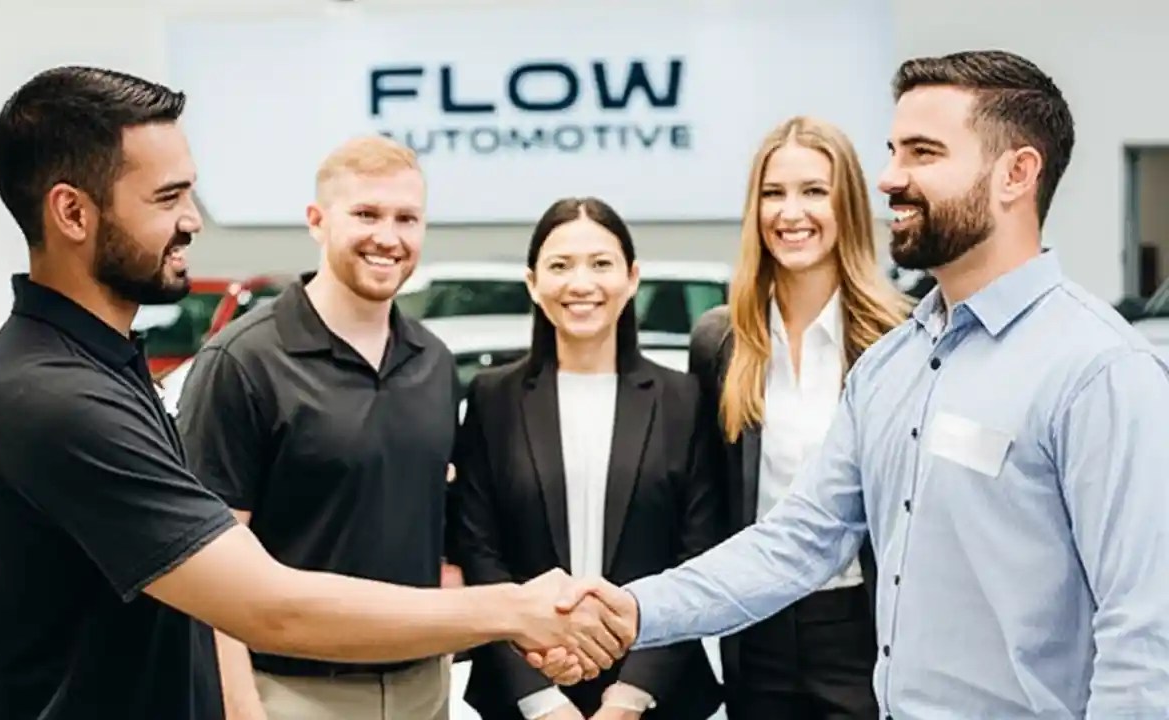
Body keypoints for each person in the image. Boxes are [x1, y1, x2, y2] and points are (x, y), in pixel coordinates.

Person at [0, 65, 632, 720]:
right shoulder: (56, 399)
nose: (193, 221)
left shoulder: (102, 368)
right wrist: (513, 609)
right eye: (167, 197)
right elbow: (268, 606)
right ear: (72, 212)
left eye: (190, 194)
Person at [539, 49, 1169, 718]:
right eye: (893, 151)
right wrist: (634, 609)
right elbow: (799, 540)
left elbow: (1145, 636)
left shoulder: (1101, 373)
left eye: (924, 153)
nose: (890, 178)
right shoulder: (890, 366)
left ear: (1017, 173)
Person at [174, 134, 461, 720]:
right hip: (290, 694)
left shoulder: (434, 362)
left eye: (407, 217)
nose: (389, 236)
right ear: (317, 221)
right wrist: (239, 705)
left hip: (422, 690)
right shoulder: (243, 362)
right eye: (366, 214)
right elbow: (206, 566)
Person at [449, 197, 724, 720]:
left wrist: (627, 700)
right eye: (560, 266)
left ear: (632, 276)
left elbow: (697, 557)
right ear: (533, 283)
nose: (581, 284)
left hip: (659, 698)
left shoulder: (683, 400)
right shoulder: (494, 399)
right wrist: (542, 701)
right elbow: (479, 552)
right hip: (523, 698)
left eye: (601, 264)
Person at [688, 116, 911, 719]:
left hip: (864, 630)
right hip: (756, 629)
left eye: (814, 191)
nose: (791, 213)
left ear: (847, 205)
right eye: (773, 193)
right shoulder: (721, 341)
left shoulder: (899, 338)